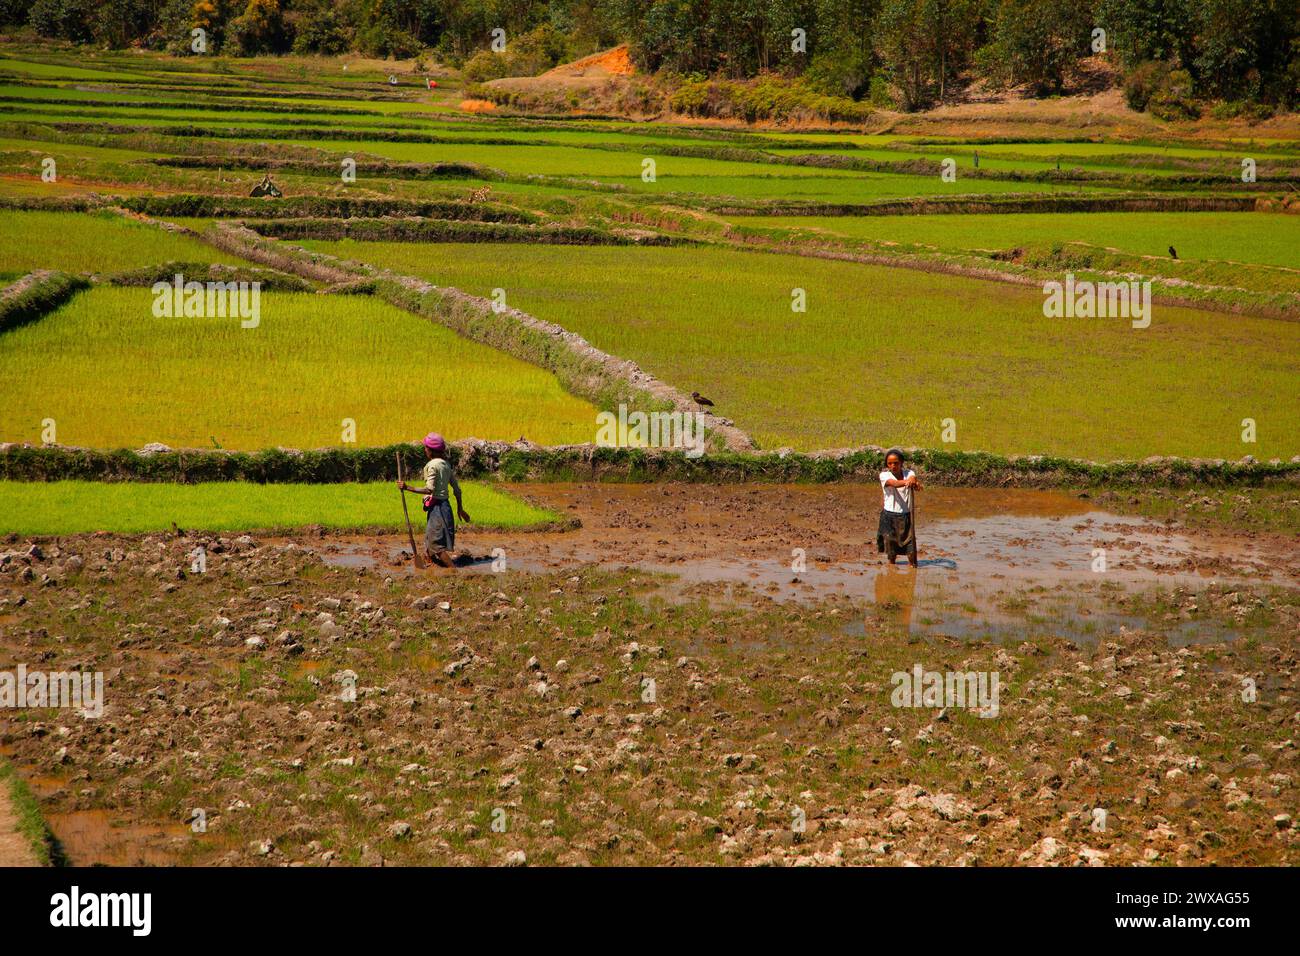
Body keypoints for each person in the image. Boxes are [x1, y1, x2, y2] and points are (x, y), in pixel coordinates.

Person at [397, 433, 470, 567]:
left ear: (431, 450)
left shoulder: (432, 466)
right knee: (431, 537)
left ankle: (452, 570)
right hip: (445, 507)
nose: (425, 450)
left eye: (426, 448)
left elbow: (429, 490)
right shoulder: (446, 465)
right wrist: (460, 508)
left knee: (436, 545)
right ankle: (429, 560)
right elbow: (457, 490)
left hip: (437, 509)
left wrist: (407, 487)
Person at [877, 447, 920, 567]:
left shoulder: (909, 473)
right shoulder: (884, 475)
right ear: (887, 464)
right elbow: (895, 484)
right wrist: (908, 483)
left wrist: (913, 482)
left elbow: (913, 478)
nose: (893, 466)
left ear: (901, 463)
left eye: (896, 463)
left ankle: (912, 567)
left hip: (906, 514)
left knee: (910, 547)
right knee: (891, 549)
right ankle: (892, 568)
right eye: (889, 463)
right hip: (889, 515)